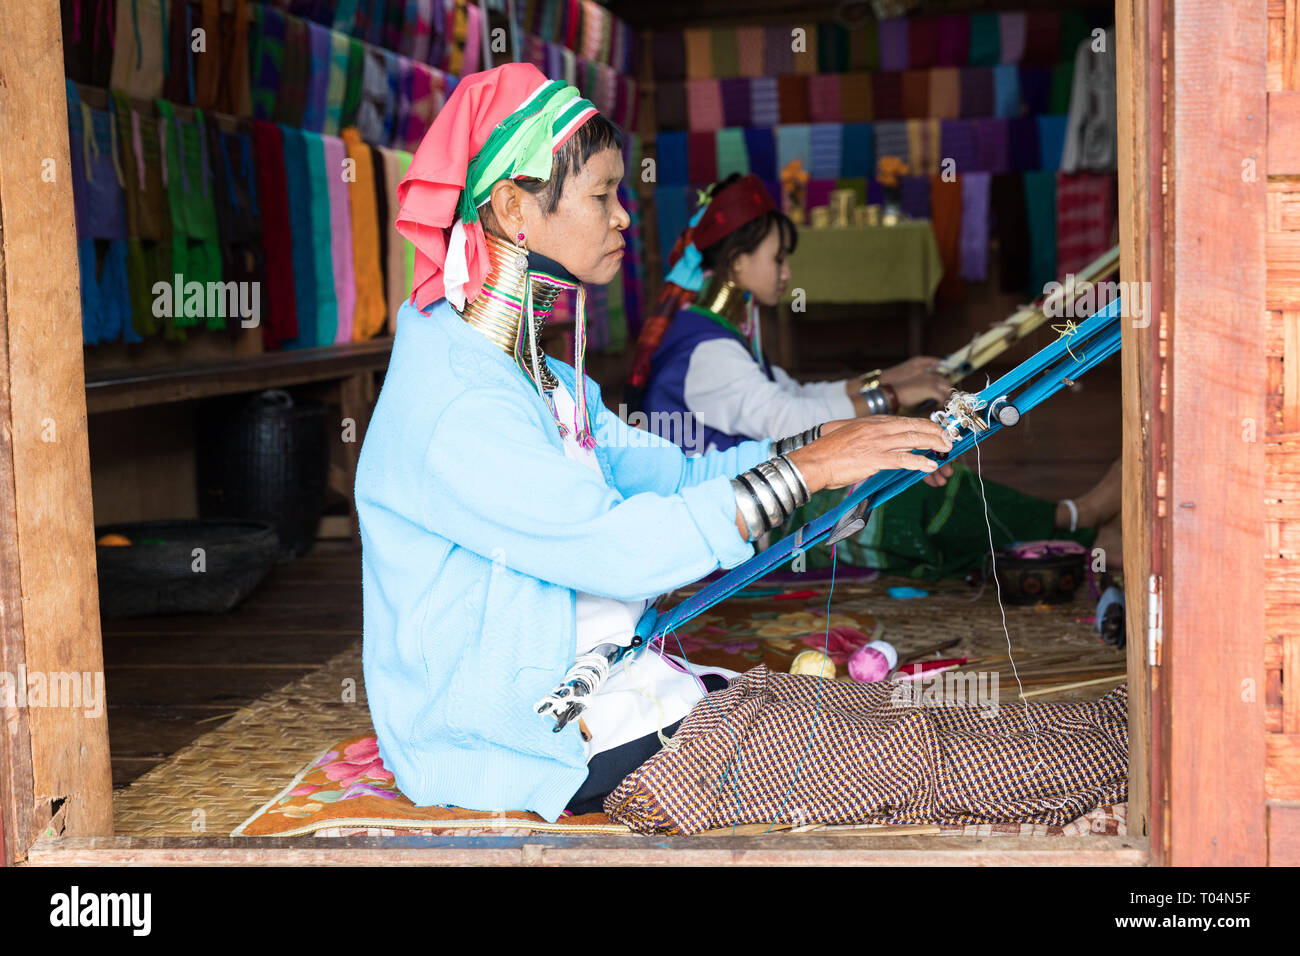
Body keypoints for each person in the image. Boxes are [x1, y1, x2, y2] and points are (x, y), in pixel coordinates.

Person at [354, 64, 955, 822]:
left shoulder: (537, 371)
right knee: (883, 751)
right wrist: (809, 467)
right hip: (510, 733)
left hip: (591, 679)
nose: (623, 221)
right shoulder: (460, 399)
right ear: (515, 208)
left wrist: (828, 445)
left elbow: (670, 477)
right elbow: (612, 545)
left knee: (861, 726)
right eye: (602, 195)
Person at [639, 173, 1122, 578]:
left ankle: (1073, 526)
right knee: (903, 491)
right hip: (740, 514)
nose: (786, 273)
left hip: (758, 486)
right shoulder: (706, 349)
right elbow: (786, 417)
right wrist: (890, 395)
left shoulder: (711, 332)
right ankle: (1074, 521)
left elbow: (791, 392)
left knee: (909, 472)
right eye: (777, 259)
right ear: (737, 261)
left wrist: (892, 378)